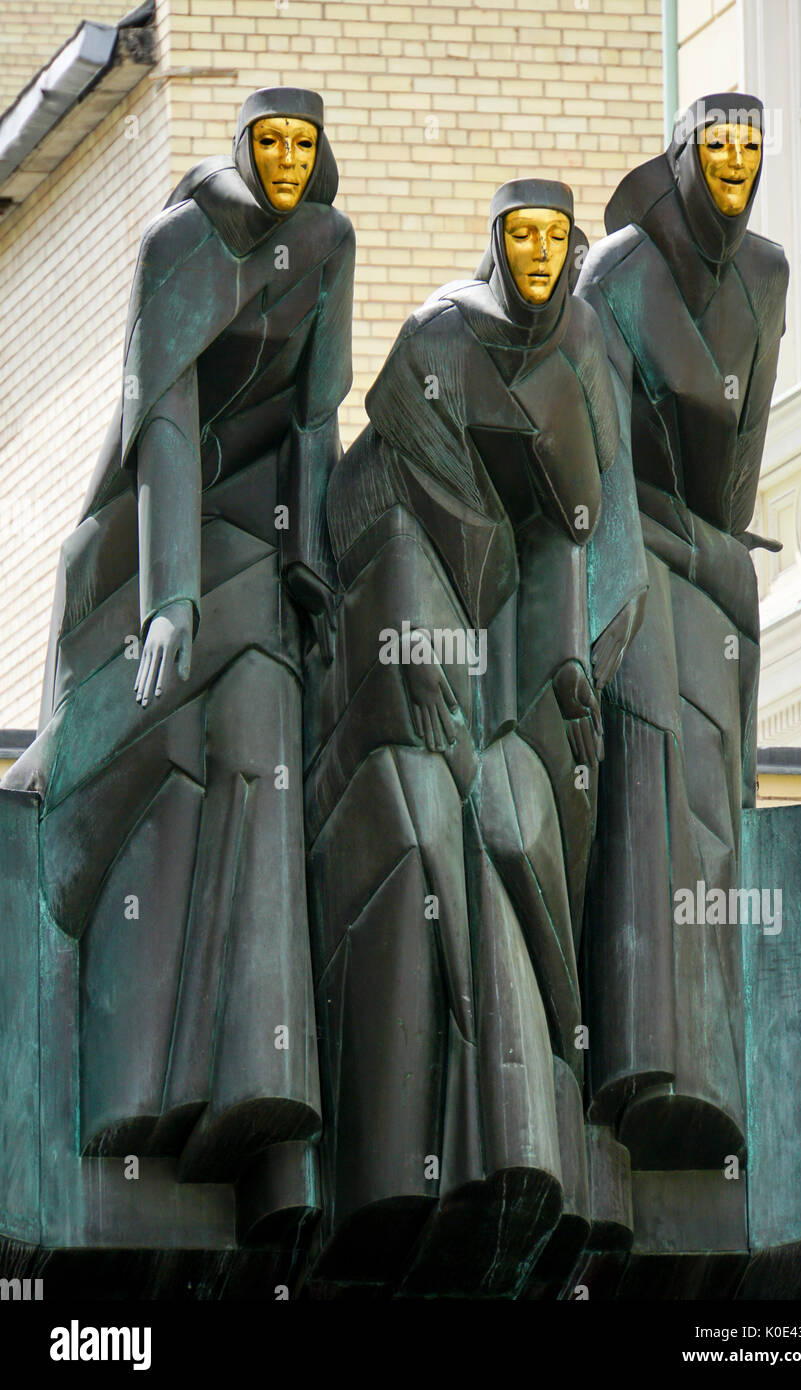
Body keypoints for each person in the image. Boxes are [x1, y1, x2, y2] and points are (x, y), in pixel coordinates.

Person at [2, 89, 355, 1209]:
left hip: (260, 538)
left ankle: (258, 1089)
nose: (290, 162)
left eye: (306, 144)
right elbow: (161, 417)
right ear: (245, 149)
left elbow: (314, 414)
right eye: (272, 143)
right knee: (168, 760)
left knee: (262, 740)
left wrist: (315, 568)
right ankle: (140, 1085)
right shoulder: (178, 240)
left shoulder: (327, 243)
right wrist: (169, 599)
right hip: (145, 553)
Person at [306, 178, 646, 1293]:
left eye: (558, 236)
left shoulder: (585, 342)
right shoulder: (439, 336)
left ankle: (557, 1044)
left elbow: (599, 527)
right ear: (496, 245)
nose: (542, 253)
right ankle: (497, 1109)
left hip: (516, 611)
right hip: (404, 580)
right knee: (447, 810)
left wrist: (573, 658)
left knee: (525, 798)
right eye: (523, 235)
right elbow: (408, 505)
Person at [576, 93, 788, 1168]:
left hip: (706, 549)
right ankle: (644, 1052)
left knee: (714, 783)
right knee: (657, 725)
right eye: (720, 146)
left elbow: (740, 471)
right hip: (627, 546)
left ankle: (708, 1066)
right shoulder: (616, 273)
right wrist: (623, 590)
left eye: (754, 146)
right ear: (683, 155)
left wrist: (719, 561)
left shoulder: (767, 278)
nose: (738, 162)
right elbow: (600, 466)